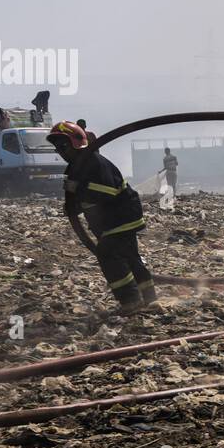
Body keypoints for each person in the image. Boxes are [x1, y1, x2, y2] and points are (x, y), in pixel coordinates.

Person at [47, 121, 156, 312]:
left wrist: (78, 193)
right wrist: (74, 206)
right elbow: (83, 196)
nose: (61, 152)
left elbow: (105, 192)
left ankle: (130, 301)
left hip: (121, 216)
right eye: (58, 148)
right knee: (129, 256)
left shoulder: (93, 162)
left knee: (107, 253)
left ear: (76, 143)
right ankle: (150, 298)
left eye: (63, 146)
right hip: (112, 219)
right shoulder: (77, 166)